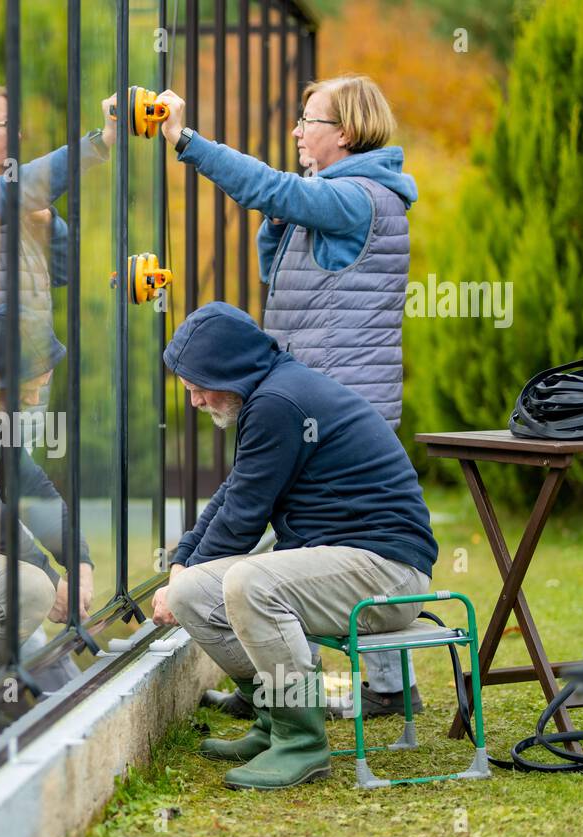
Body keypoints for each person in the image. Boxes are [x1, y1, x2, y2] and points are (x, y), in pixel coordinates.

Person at [155, 75, 425, 718]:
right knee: (314, 539)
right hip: (315, 393)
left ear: (349, 132)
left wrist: (183, 139)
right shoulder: (335, 200)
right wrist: (276, 223)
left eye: (312, 121)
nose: (299, 132)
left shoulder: (362, 197)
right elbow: (277, 265)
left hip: (341, 396)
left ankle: (362, 691)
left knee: (342, 541)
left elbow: (271, 189)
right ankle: (322, 688)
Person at [150, 303, 437, 791]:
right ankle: (272, 719)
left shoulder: (279, 403)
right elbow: (234, 492)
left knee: (249, 581)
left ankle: (301, 743)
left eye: (197, 385)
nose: (194, 400)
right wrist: (182, 563)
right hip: (347, 565)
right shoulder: (273, 395)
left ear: (230, 370)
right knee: (190, 594)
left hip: (388, 572)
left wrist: (192, 562)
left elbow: (241, 521)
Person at [0, 310, 94, 694]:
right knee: (33, 589)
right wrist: (56, 582)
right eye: (28, 388)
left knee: (30, 592)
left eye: (41, 387)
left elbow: (29, 485)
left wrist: (78, 559)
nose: (34, 399)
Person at [0, 80, 117, 354]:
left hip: (22, 387)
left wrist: (49, 223)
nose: (18, 135)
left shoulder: (11, 201)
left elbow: (65, 272)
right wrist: (100, 142)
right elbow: (21, 188)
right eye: (6, 125)